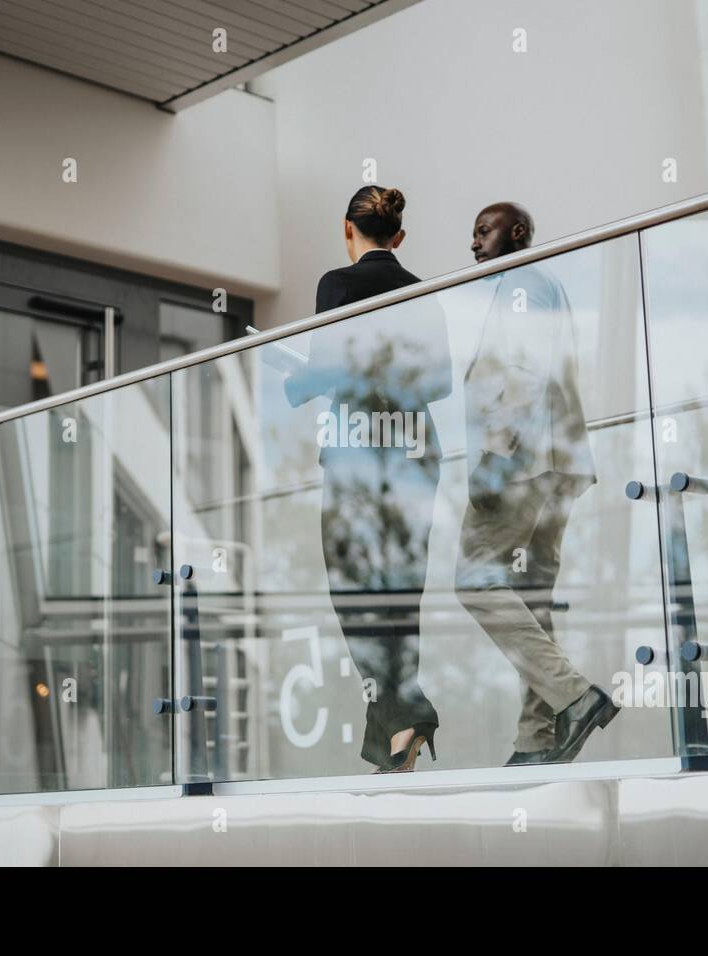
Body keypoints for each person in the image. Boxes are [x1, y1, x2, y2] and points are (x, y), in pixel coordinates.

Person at [284, 185, 452, 772]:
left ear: (347, 228)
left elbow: (327, 365)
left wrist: (295, 383)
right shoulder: (423, 293)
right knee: (402, 598)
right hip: (415, 452)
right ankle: (394, 744)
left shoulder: (339, 283)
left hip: (359, 455)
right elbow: (440, 383)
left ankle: (409, 713)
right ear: (398, 237)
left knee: (355, 596)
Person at [456, 202, 619, 766]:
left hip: (524, 461)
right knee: (530, 600)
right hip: (560, 464)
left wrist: (494, 456)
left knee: (475, 581)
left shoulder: (523, 282)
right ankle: (538, 738)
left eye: (484, 231)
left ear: (517, 233)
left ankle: (576, 696)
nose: (474, 243)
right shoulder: (543, 284)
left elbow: (523, 372)